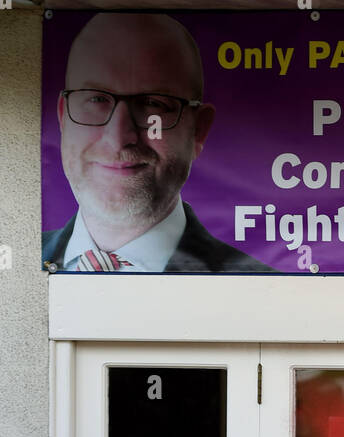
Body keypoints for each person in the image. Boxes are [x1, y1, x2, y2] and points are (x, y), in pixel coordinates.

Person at [43, 13, 274, 274]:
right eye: (96, 100)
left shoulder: (265, 288)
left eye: (153, 103)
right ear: (63, 117)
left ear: (198, 130)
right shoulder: (18, 267)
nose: (118, 139)